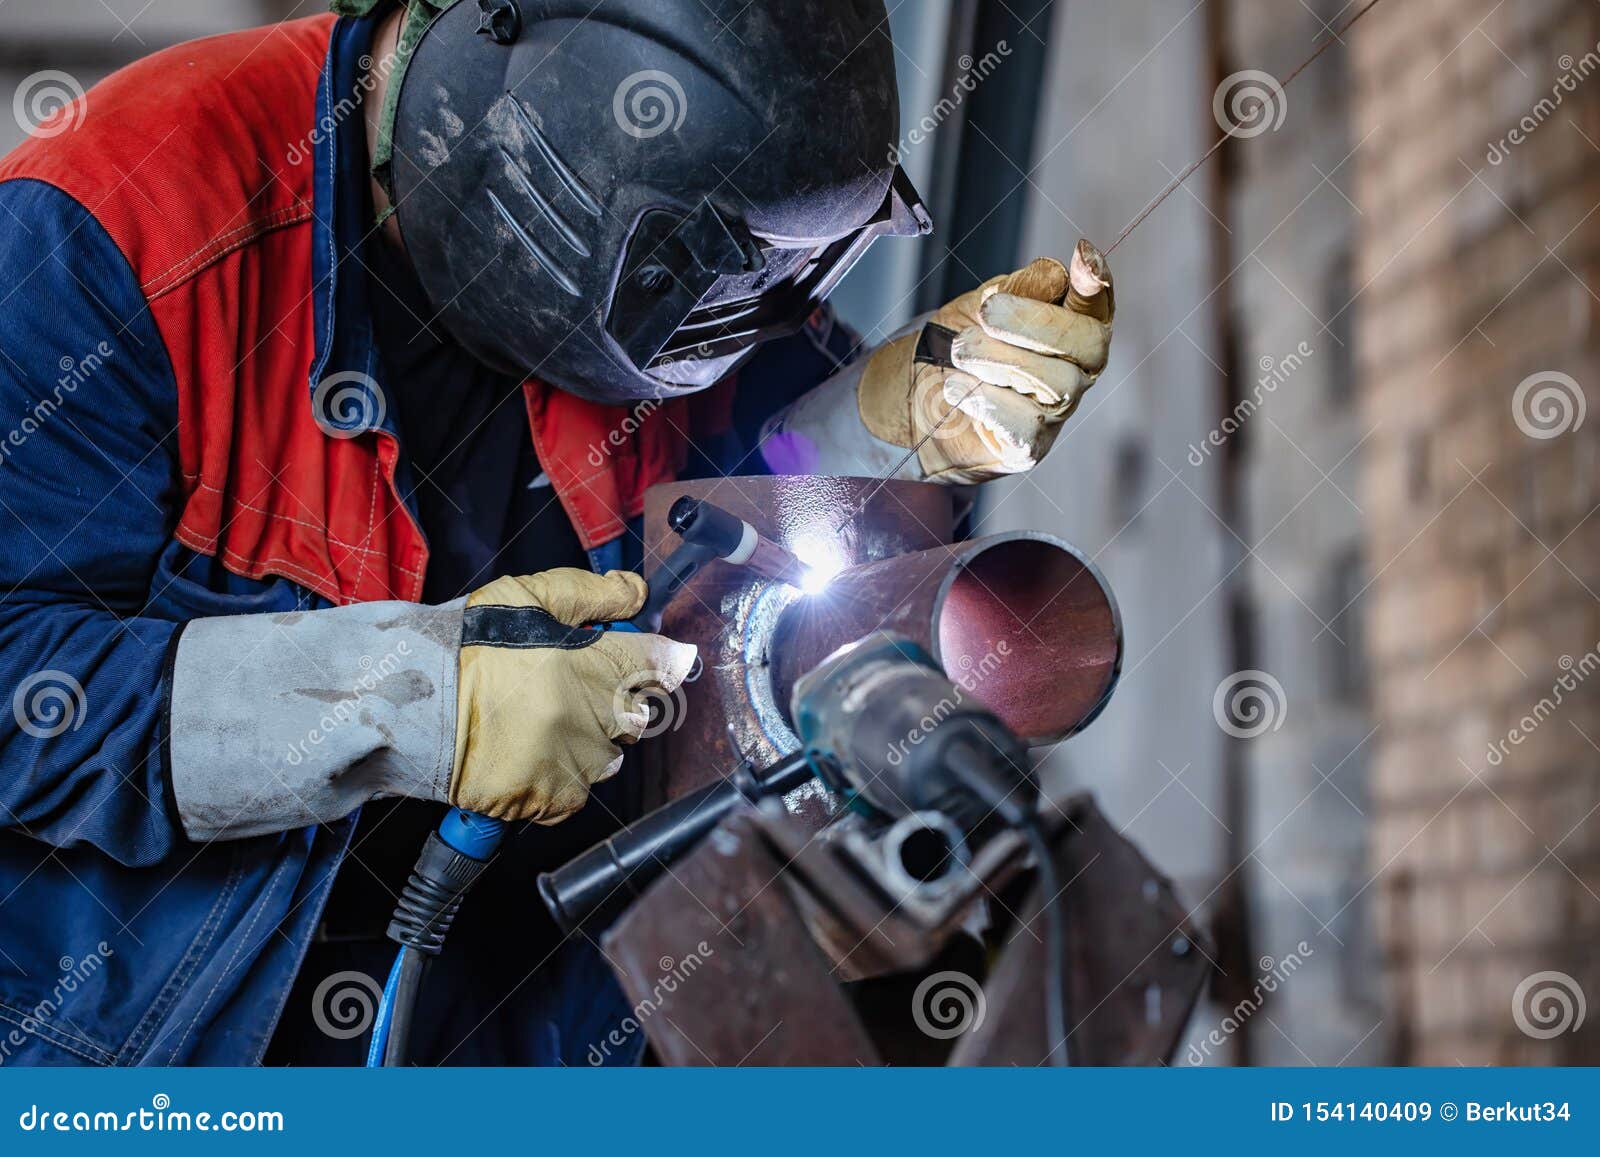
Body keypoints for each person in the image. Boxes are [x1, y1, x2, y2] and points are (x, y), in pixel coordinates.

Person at [0, 0, 1114, 1065]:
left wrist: (880, 424)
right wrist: (411, 706)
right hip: (175, 1052)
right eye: (695, 274)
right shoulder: (116, 217)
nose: (736, 318)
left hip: (557, 1026)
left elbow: (754, 526)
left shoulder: (708, 213)